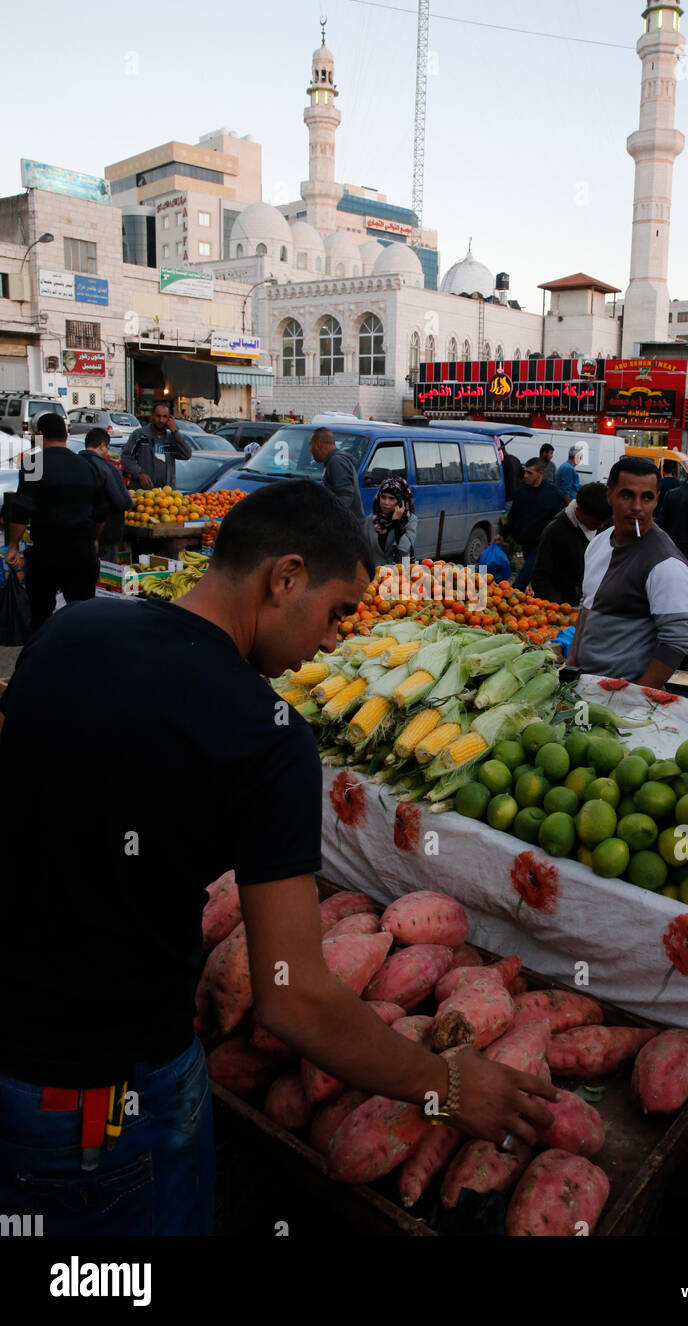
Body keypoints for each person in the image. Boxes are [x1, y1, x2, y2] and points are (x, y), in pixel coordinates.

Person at [0, 481, 556, 1237]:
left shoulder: (70, 632)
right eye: (334, 614)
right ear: (285, 577)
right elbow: (291, 996)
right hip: (112, 1097)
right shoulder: (268, 738)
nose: (332, 642)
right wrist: (448, 1086)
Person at [566, 457, 688, 687]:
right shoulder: (599, 543)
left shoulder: (666, 565)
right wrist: (571, 665)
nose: (637, 507)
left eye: (647, 497)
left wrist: (635, 697)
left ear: (657, 501)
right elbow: (587, 609)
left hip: (623, 696)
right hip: (585, 686)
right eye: (627, 495)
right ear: (610, 496)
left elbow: (675, 643)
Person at [4, 413, 106, 633]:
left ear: (40, 435)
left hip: (48, 555)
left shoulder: (34, 463)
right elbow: (100, 512)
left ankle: (43, 660)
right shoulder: (86, 464)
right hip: (82, 553)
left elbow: (21, 510)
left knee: (40, 615)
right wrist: (95, 540)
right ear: (66, 434)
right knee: (82, 615)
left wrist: (13, 546)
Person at [531, 482, 610, 605]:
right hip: (567, 606)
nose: (600, 526)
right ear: (579, 511)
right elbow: (540, 577)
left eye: (603, 522)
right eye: (596, 522)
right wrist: (560, 608)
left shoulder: (605, 524)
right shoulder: (555, 532)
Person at [505, 458, 565, 591]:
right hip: (525, 543)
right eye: (525, 472)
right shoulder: (521, 491)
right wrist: (502, 534)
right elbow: (513, 517)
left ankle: (514, 596)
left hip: (542, 544)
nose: (526, 476)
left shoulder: (552, 494)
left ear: (541, 473)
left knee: (521, 581)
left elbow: (560, 521)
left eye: (530, 473)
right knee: (534, 578)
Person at [81, 427, 133, 563]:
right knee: (104, 578)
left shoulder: (74, 464)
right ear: (102, 446)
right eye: (108, 448)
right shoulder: (108, 469)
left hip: (78, 533)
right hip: (105, 535)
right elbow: (122, 502)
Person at [121, 401, 192, 490]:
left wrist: (175, 432)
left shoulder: (171, 438)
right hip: (143, 494)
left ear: (169, 419)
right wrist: (140, 474)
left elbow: (187, 454)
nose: (161, 420)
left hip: (166, 495)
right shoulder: (139, 435)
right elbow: (126, 457)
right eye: (158, 416)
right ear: (152, 416)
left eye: (165, 417)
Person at [309, 427, 363, 520]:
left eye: (311, 445)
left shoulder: (336, 461)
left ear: (318, 445)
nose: (310, 450)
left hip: (348, 529)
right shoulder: (334, 460)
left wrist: (327, 517)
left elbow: (346, 496)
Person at [363, 476, 417, 565]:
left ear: (400, 501)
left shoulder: (410, 520)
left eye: (391, 498)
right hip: (376, 575)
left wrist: (397, 522)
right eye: (383, 497)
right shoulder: (371, 519)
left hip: (398, 574)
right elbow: (364, 551)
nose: (386, 502)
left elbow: (405, 550)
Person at [495, 436, 523, 503]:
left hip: (506, 498)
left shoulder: (502, 463)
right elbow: (522, 477)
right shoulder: (515, 459)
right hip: (515, 497)